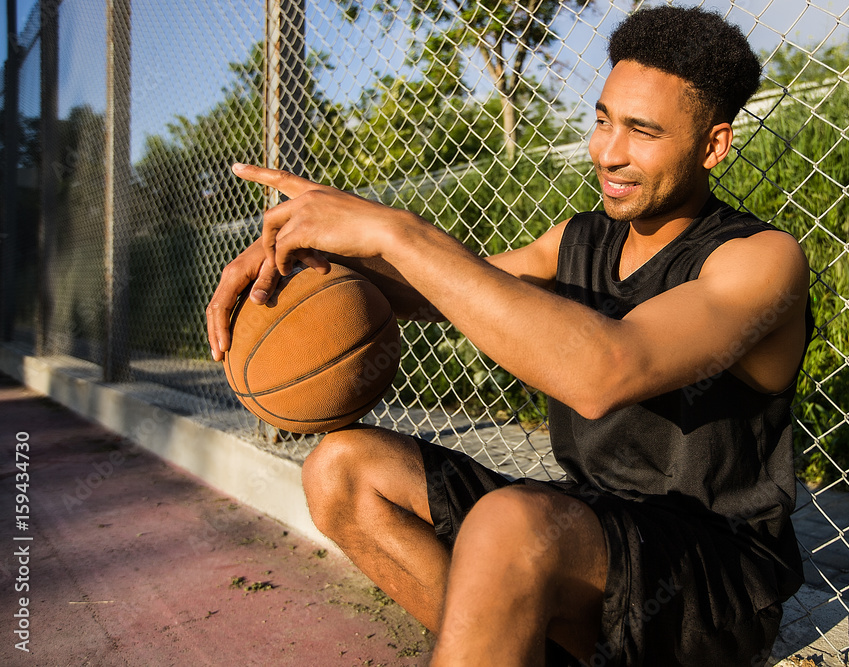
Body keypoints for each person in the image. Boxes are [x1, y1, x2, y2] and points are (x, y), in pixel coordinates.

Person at [206, 5, 811, 666]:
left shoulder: (761, 260)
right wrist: (307, 262)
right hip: (596, 526)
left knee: (511, 523)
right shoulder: (578, 240)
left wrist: (398, 230)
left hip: (710, 574)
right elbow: (439, 288)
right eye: (604, 119)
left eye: (643, 131)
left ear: (713, 145)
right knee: (341, 469)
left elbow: (604, 369)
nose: (608, 151)